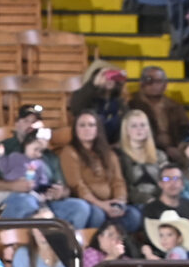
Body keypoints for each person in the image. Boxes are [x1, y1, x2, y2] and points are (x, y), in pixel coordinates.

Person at [59, 107, 140, 235]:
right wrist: (101, 205)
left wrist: (119, 201)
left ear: (97, 129)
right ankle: (95, 251)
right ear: (75, 130)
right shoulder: (69, 152)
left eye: (91, 125)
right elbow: (77, 186)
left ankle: (120, 249)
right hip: (90, 203)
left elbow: (118, 181)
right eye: (82, 125)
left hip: (112, 202)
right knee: (98, 215)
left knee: (133, 215)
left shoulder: (109, 153)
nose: (87, 129)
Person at [127, 67, 189, 158]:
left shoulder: (174, 106)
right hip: (144, 149)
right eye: (149, 80)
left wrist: (185, 145)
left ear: (165, 85)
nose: (154, 84)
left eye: (158, 81)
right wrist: (165, 149)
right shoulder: (132, 104)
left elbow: (186, 127)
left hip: (175, 149)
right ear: (141, 83)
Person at [115, 109, 167, 210]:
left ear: (148, 128)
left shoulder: (160, 155)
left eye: (143, 125)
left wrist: (161, 197)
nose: (139, 129)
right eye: (134, 126)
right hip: (134, 204)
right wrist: (146, 199)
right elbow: (124, 185)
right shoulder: (119, 156)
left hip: (160, 200)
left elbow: (166, 179)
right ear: (126, 130)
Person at [66, 64, 127, 144]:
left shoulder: (119, 101)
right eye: (104, 76)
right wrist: (93, 85)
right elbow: (76, 108)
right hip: (90, 143)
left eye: (112, 76)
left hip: (113, 145)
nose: (108, 79)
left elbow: (127, 121)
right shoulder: (86, 97)